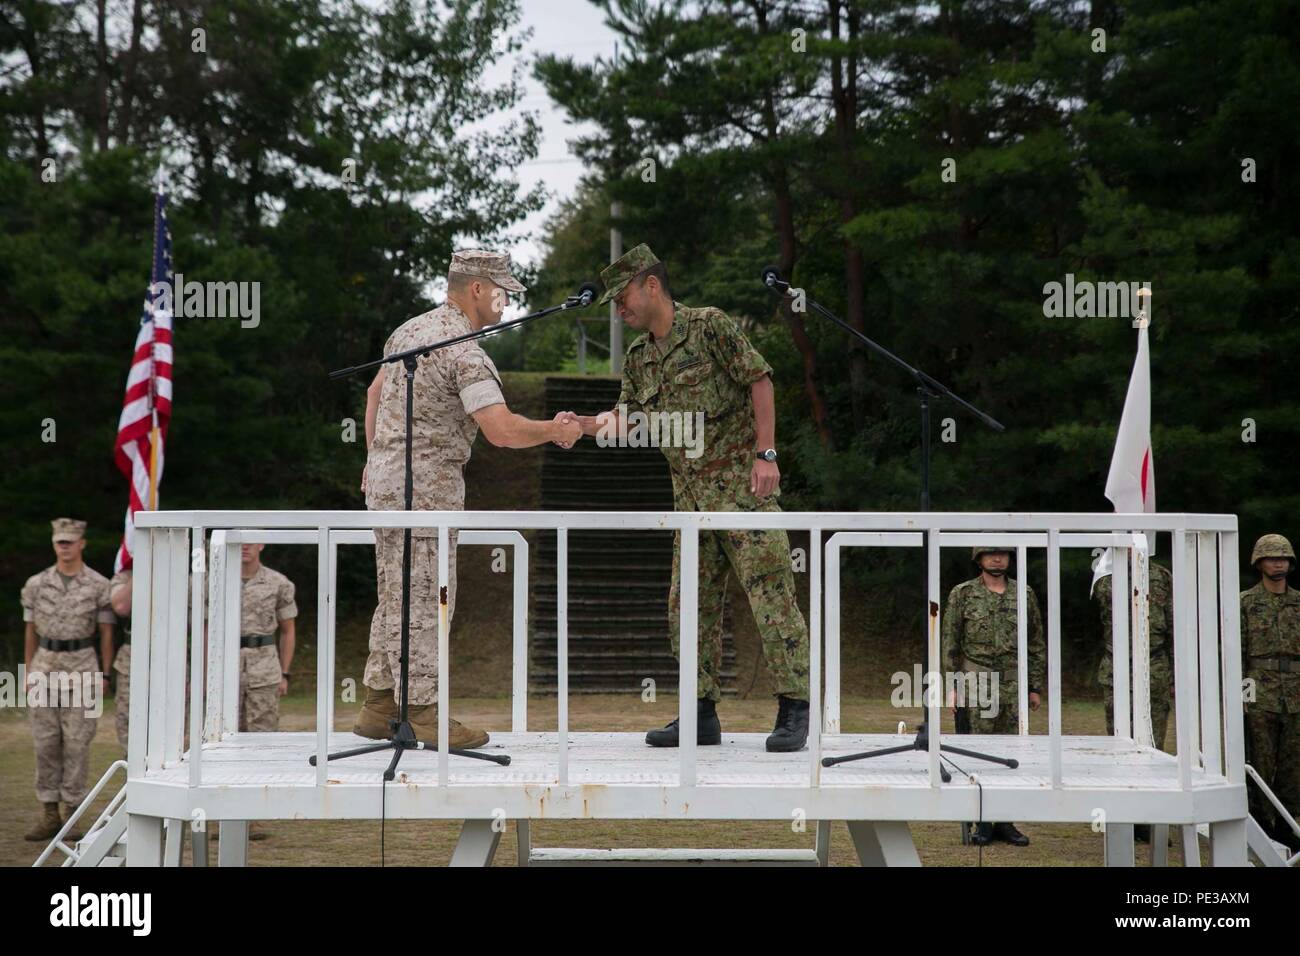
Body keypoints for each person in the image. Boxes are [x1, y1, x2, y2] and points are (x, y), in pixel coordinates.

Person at [570, 244, 811, 752]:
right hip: (690, 506)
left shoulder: (710, 326)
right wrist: (579, 426)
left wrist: (766, 453)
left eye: (623, 298)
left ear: (651, 284)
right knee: (689, 610)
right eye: (613, 304)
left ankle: (794, 710)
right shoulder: (639, 358)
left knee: (772, 603)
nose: (619, 310)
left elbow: (759, 380)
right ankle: (699, 715)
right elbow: (627, 422)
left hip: (744, 496)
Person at [354, 249, 582, 748]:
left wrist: (375, 462)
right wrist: (555, 430)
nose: (506, 304)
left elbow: (374, 395)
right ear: (477, 288)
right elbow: (500, 430)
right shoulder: (465, 352)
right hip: (427, 491)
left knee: (395, 591)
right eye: (503, 293)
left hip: (389, 486)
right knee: (428, 596)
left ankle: (378, 703)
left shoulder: (407, 332)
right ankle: (422, 712)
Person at [942, 545, 1045, 847]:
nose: (997, 559)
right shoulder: (962, 594)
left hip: (1013, 686)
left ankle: (1006, 822)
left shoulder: (1023, 594)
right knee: (979, 753)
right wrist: (953, 686)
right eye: (990, 554)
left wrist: (1034, 686)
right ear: (979, 559)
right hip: (977, 684)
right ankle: (983, 822)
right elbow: (950, 643)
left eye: (1002, 554)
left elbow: (1036, 641)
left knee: (1012, 756)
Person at [21, 519, 114, 842]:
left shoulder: (98, 584)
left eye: (70, 541)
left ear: (82, 544)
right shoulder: (36, 584)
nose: (65, 546)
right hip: (44, 668)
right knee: (45, 743)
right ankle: (49, 813)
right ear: (53, 543)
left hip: (82, 668)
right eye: (60, 541)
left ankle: (74, 815)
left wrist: (104, 672)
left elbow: (105, 631)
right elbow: (30, 631)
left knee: (77, 744)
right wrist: (28, 671)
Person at [1240, 533, 1300, 851]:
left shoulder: (1298, 602)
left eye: (1284, 557)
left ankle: (1288, 826)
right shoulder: (1245, 603)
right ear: (1259, 562)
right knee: (1260, 764)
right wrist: (1241, 697)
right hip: (1259, 692)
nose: (1278, 562)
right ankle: (1263, 827)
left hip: (1296, 693)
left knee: (1293, 765)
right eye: (1272, 557)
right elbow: (1237, 651)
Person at [1093, 561, 1174, 749]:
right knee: (1119, 737)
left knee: (1153, 737)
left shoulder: (1161, 576)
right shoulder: (1105, 577)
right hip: (1117, 665)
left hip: (1153, 664)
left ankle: (1151, 775)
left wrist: (1174, 675)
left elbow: (1172, 623)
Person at [109, 568, 133, 752]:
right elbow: (121, 607)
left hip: (173, 660)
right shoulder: (124, 577)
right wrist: (142, 569)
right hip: (131, 661)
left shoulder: (181, 573)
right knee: (128, 722)